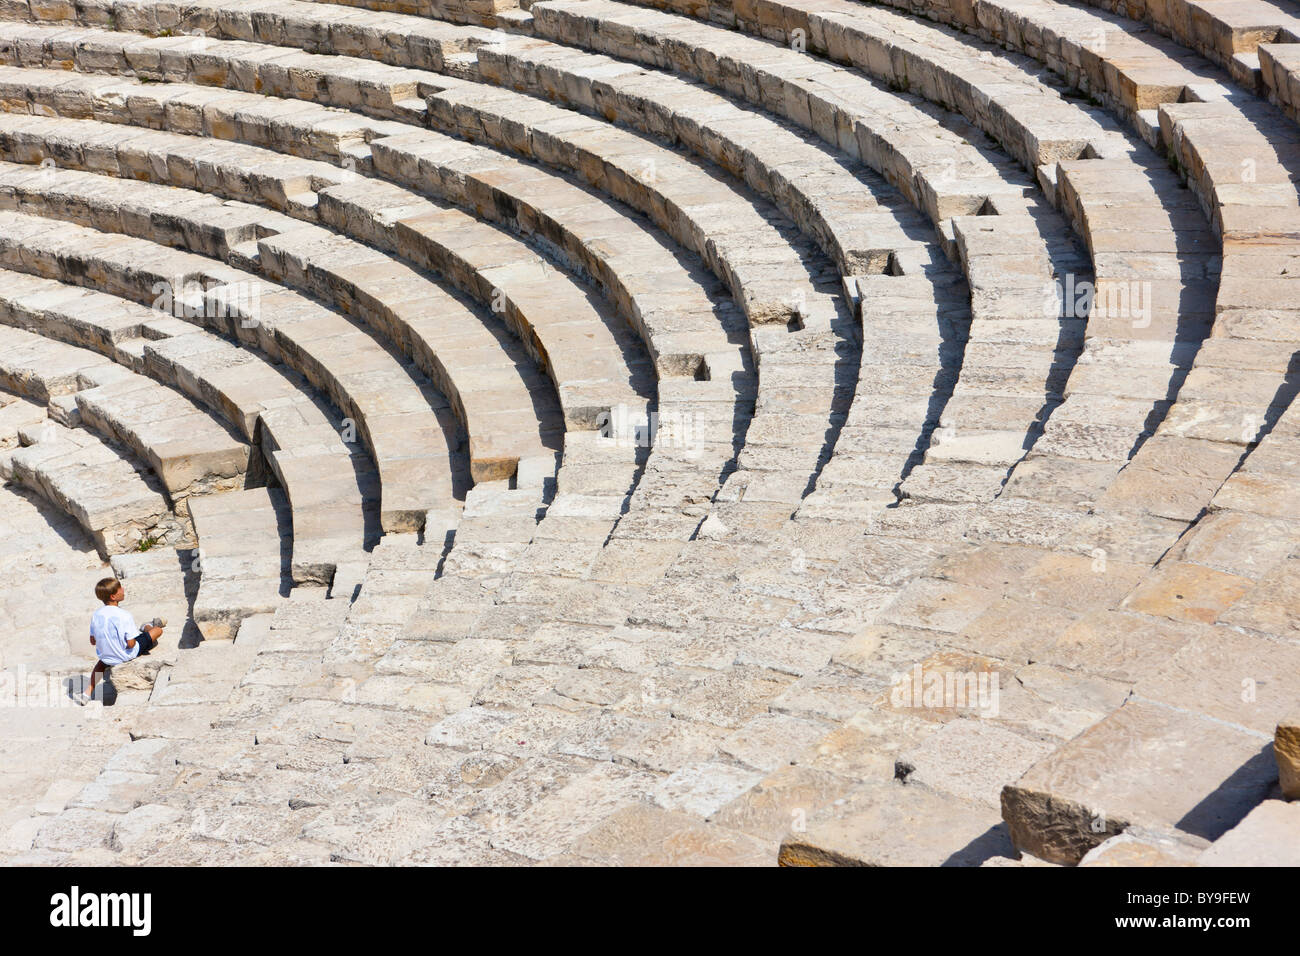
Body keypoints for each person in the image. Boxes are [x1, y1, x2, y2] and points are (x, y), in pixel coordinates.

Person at [85, 577, 166, 703]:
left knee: (101, 664)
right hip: (126, 655)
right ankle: (147, 626)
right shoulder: (124, 615)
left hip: (106, 656)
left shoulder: (96, 615)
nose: (123, 589)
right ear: (113, 596)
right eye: (120, 588)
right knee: (158, 631)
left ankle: (87, 692)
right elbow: (130, 644)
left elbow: (93, 641)